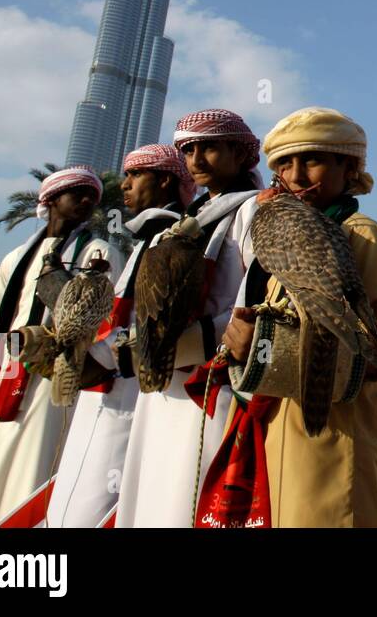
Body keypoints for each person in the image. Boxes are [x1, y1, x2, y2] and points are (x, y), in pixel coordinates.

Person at [215, 107, 377, 527]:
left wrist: (278, 350)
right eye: (285, 164)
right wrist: (244, 344)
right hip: (278, 431)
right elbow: (270, 333)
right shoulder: (286, 236)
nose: (297, 175)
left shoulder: (362, 233)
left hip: (338, 443)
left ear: (348, 166)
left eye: (313, 160)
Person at [0, 166, 123, 527]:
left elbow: (107, 321)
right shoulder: (15, 258)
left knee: (38, 468)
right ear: (51, 200)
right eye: (78, 193)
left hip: (57, 381)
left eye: (93, 197)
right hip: (6, 375)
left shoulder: (98, 252)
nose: (87, 202)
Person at [116, 110, 263, 527]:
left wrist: (195, 341)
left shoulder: (255, 210)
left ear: (240, 153)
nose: (196, 158)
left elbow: (254, 302)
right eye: (188, 150)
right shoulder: (187, 220)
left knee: (188, 495)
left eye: (209, 147)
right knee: (152, 494)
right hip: (163, 384)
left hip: (211, 382)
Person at [47, 144, 194, 527]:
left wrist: (100, 357)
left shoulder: (173, 241)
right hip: (103, 391)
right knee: (74, 500)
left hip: (130, 392)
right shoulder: (145, 240)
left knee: (96, 506)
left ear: (165, 181)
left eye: (135, 176)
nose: (125, 186)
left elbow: (155, 323)